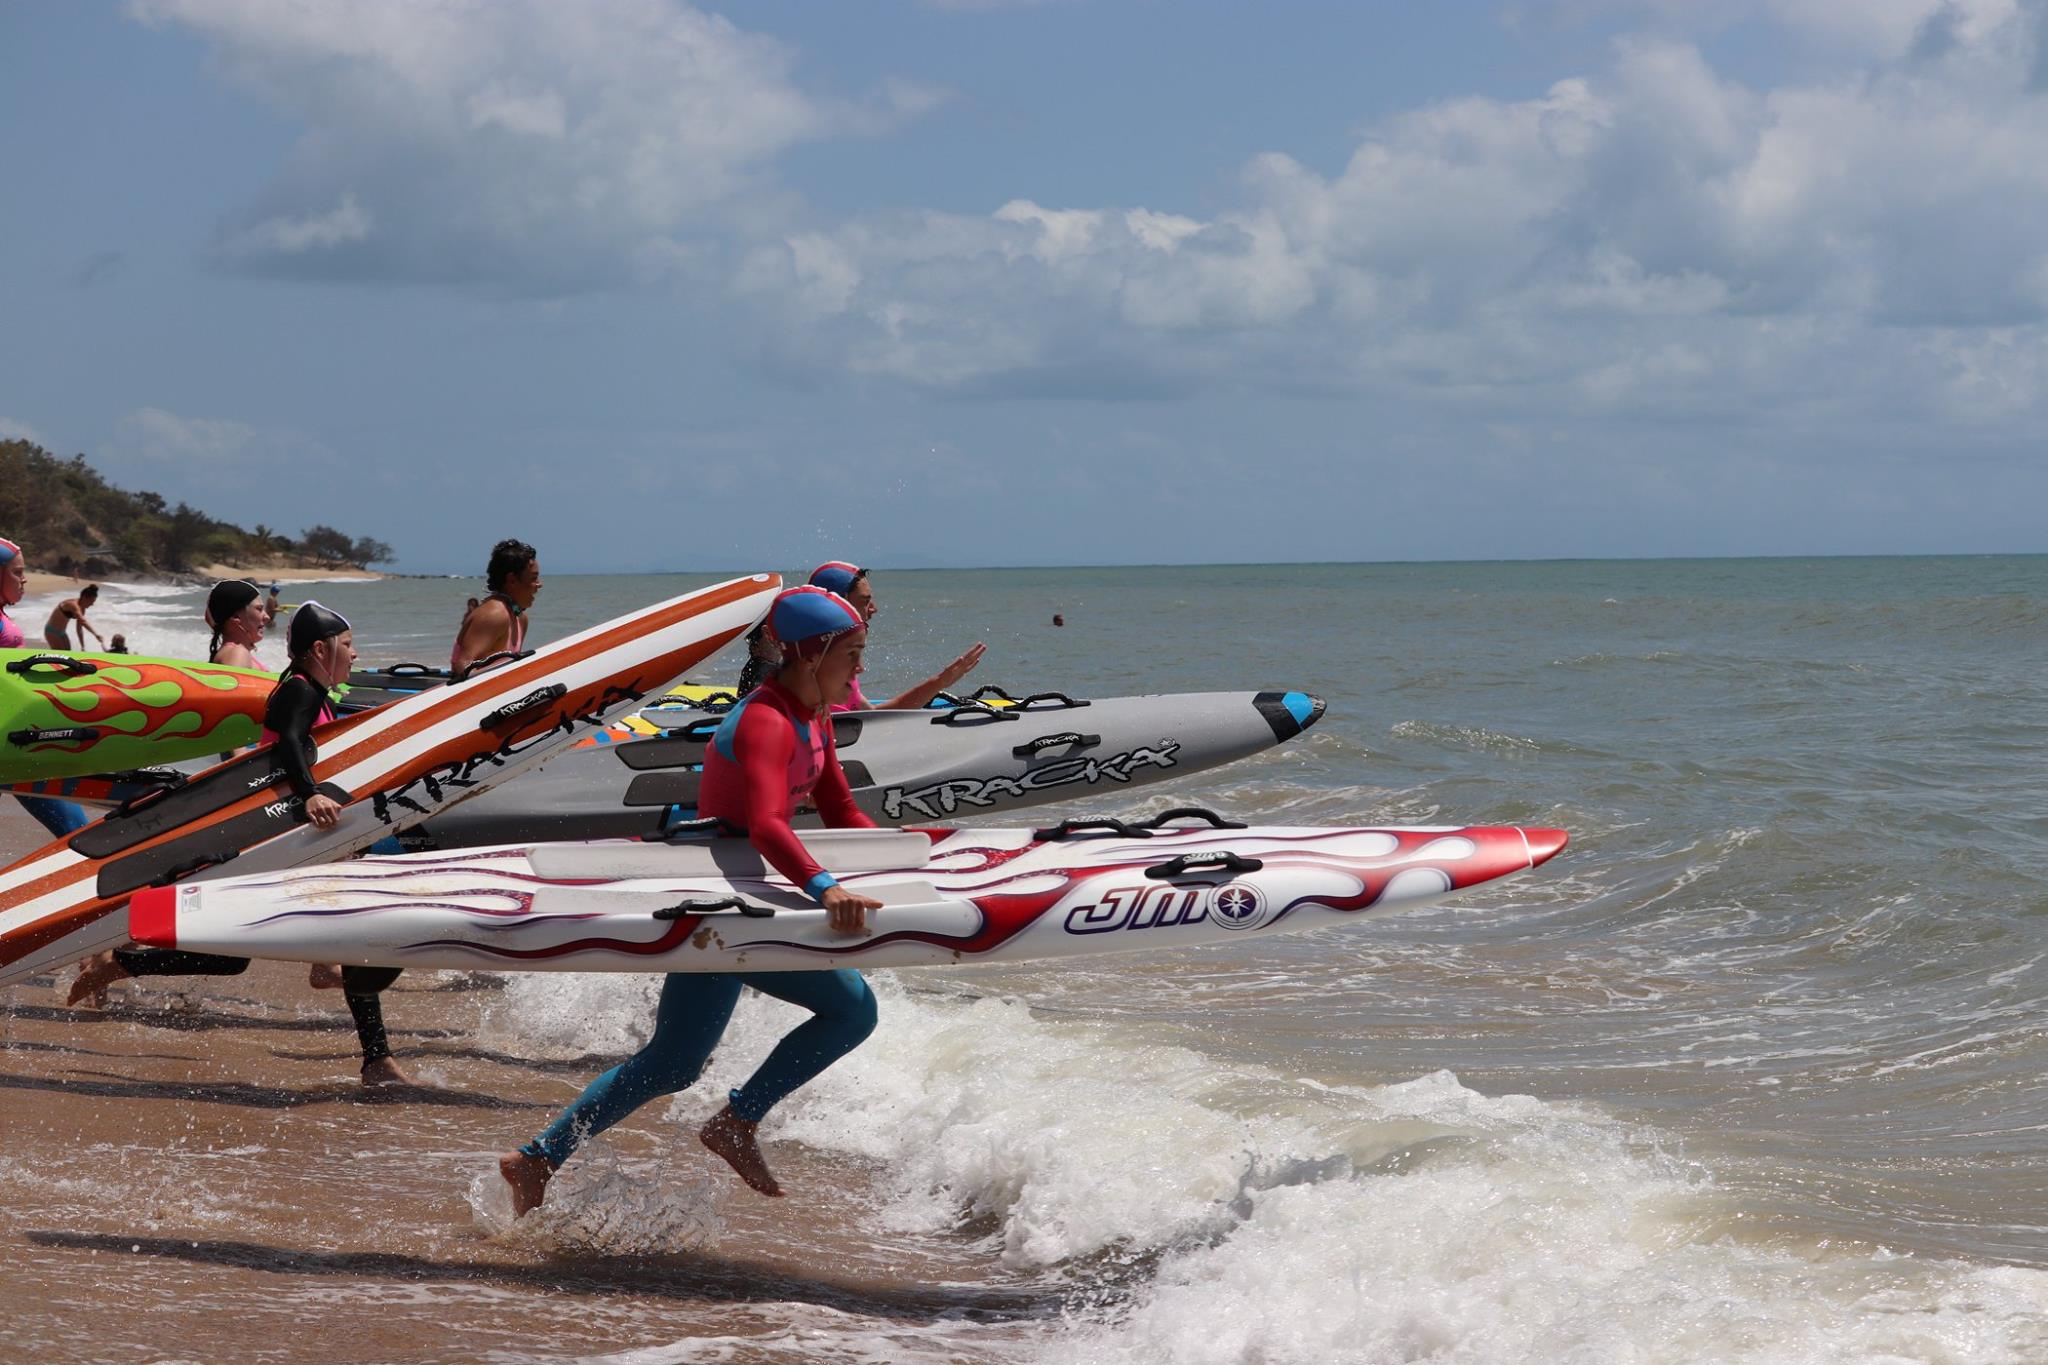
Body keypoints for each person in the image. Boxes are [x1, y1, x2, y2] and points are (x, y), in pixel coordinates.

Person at [499, 586, 885, 1214]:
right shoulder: (765, 719)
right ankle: (721, 1124)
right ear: (813, 656)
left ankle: (541, 1159)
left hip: (752, 900)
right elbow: (766, 824)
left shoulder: (812, 714)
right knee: (841, 1015)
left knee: (678, 1062)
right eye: (853, 653)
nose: (861, 667)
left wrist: (922, 853)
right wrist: (825, 887)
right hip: (719, 907)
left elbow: (839, 808)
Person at [66, 603, 414, 1086]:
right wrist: (311, 793)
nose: (355, 654)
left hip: (301, 837)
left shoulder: (313, 691)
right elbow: (290, 743)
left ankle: (377, 1061)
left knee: (331, 938)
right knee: (232, 956)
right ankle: (119, 962)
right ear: (320, 649)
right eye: (348, 645)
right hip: (280, 838)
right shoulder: (300, 691)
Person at [0, 538, 90, 838]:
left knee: (73, 827)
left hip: (19, 738)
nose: (24, 579)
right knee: (75, 830)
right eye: (17, 572)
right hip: (14, 743)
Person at [805, 561, 985, 710]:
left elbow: (873, 716)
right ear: (838, 606)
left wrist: (940, 682)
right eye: (865, 602)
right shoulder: (814, 676)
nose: (874, 609)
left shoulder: (837, 665)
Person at [450, 539, 540, 678]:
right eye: (534, 578)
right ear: (512, 580)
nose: (539, 584)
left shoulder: (520, 619)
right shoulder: (495, 614)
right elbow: (462, 667)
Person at [204, 579, 269, 671]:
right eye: (259, 609)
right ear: (236, 616)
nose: (267, 617)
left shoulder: (230, 652)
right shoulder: (237, 653)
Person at [42, 583, 104, 651]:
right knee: (61, 656)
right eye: (91, 601)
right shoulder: (73, 605)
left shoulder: (82, 609)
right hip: (51, 632)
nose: (92, 604)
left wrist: (82, 646)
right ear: (84, 597)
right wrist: (96, 634)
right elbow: (83, 621)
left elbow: (79, 629)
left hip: (62, 633)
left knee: (68, 654)